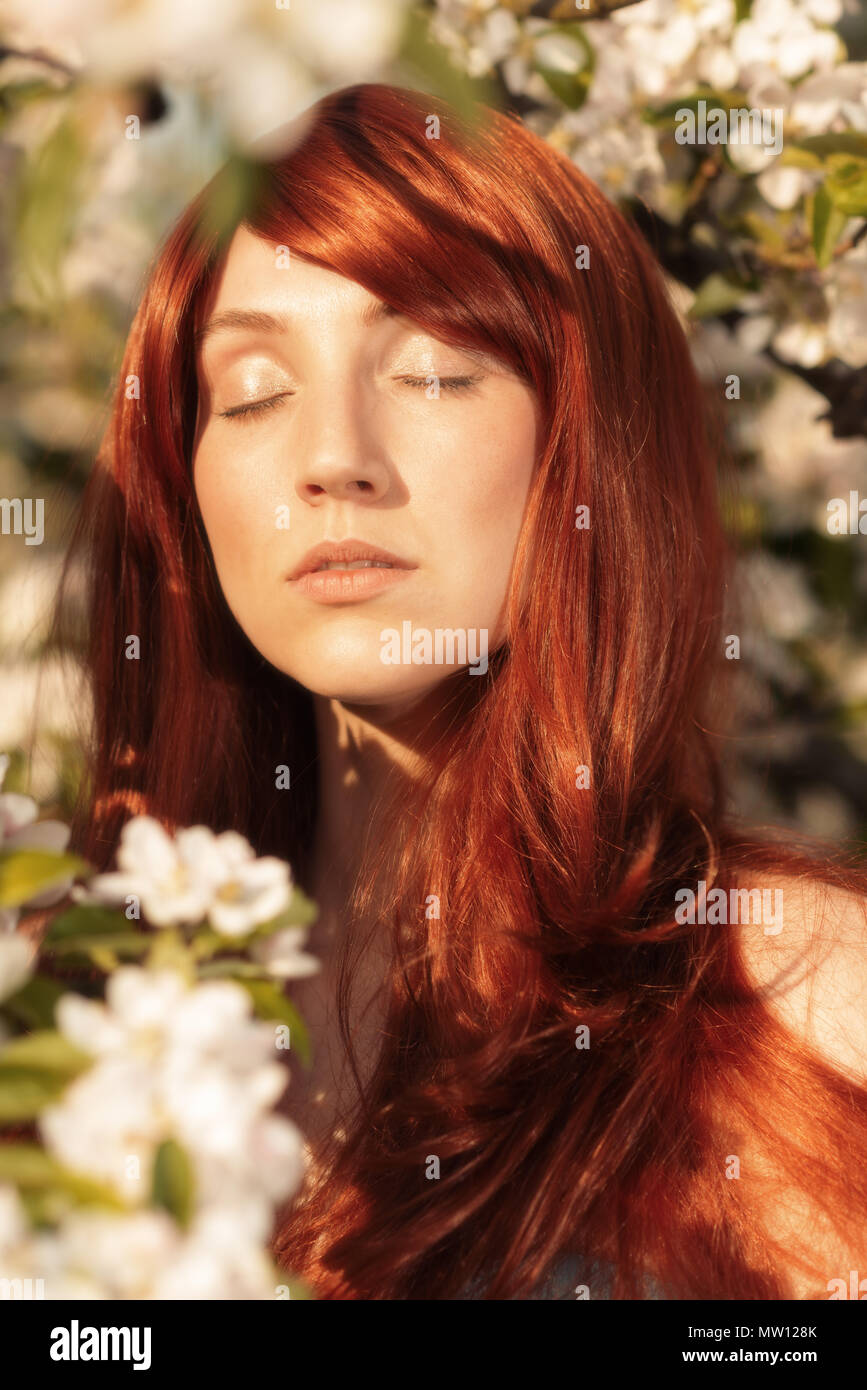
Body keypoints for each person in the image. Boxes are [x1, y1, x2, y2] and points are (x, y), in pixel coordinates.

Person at [51, 82, 867, 1300]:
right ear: (181, 478)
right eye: (255, 391)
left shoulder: (797, 999)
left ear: (585, 442)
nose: (334, 458)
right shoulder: (60, 996)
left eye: (436, 372)